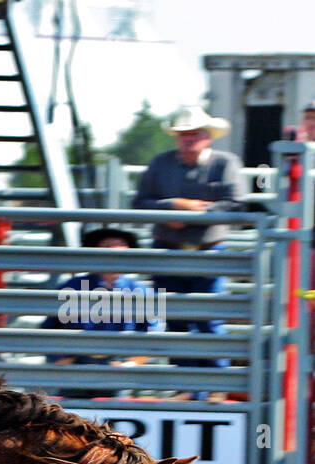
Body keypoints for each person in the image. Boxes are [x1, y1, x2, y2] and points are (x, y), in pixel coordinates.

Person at [133, 105, 244, 375]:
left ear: (208, 136)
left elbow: (236, 205)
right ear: (176, 137)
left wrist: (197, 212)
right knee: (175, 320)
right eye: (184, 134)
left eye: (194, 134)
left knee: (209, 320)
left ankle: (215, 382)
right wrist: (172, 207)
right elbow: (139, 203)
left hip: (209, 251)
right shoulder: (161, 163)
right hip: (167, 251)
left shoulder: (225, 163)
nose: (188, 139)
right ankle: (186, 382)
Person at [41, 227, 162, 387]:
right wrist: (60, 360)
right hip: (76, 365)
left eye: (121, 250)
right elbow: (49, 326)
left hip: (119, 367)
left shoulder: (141, 291)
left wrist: (132, 364)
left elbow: (154, 334)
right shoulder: (73, 286)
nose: (114, 256)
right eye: (108, 249)